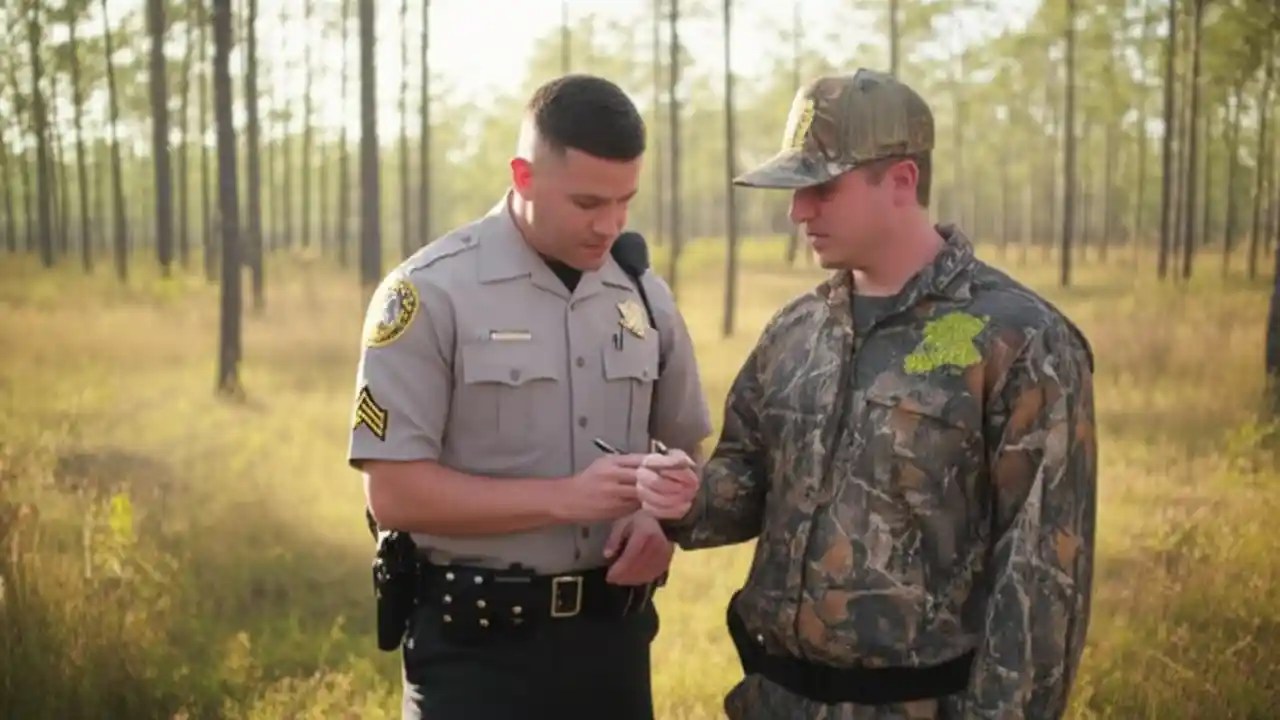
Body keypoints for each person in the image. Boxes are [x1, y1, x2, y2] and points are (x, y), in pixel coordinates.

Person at [636, 68, 1098, 720]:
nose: (798, 212)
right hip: (771, 701)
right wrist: (691, 497)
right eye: (796, 191)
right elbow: (747, 479)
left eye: (821, 189)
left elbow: (1041, 583)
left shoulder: (1021, 342)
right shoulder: (796, 330)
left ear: (902, 182)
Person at [348, 73, 713, 720]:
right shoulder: (430, 293)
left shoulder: (641, 293)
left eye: (625, 201)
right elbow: (394, 494)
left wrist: (658, 515)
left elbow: (684, 443)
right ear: (523, 176)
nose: (610, 225)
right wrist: (565, 499)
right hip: (474, 654)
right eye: (587, 202)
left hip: (613, 646)